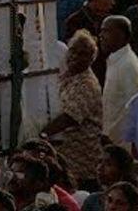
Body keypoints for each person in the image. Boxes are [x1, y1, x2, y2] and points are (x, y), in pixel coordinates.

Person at [43, 29, 104, 188]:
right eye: (73, 51)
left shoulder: (86, 83)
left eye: (83, 54)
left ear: (92, 58)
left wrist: (42, 134)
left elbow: (68, 117)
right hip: (65, 155)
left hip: (81, 160)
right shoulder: (67, 75)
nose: (75, 56)